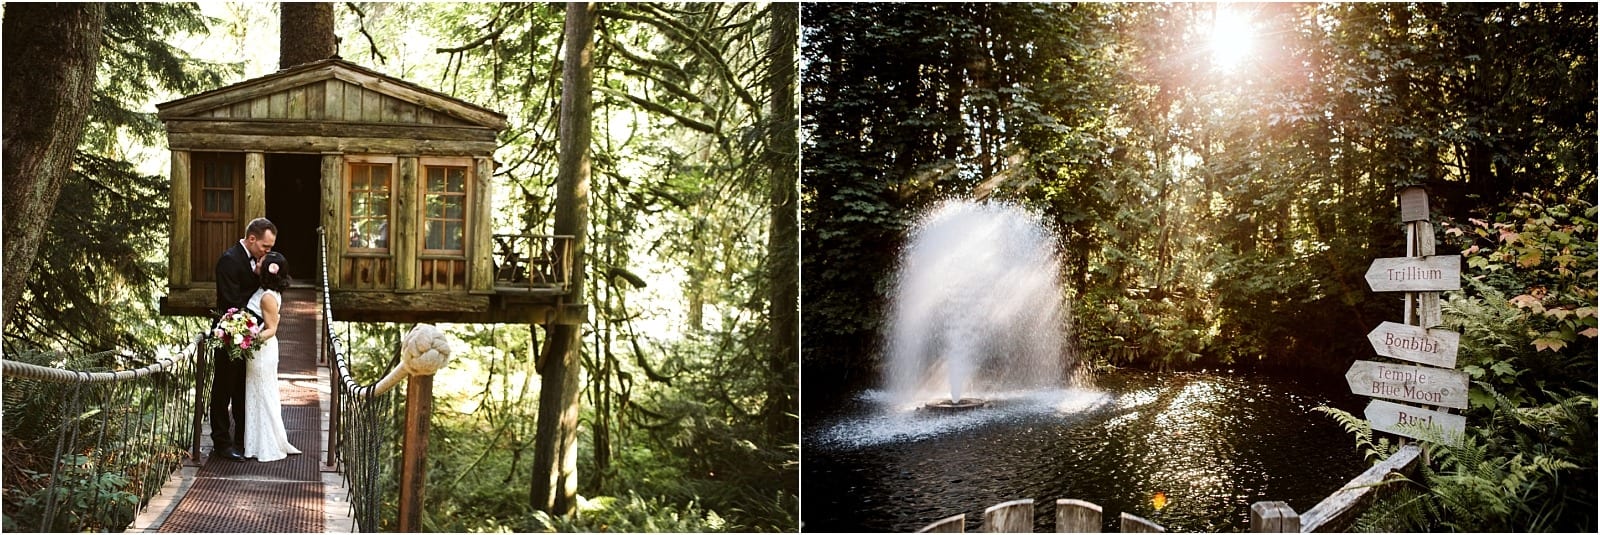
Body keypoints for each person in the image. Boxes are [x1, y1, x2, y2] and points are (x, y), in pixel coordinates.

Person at [212, 218, 276, 462]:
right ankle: (221, 443)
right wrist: (250, 323)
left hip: (250, 335)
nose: (268, 252)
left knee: (243, 387)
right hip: (229, 334)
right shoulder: (229, 260)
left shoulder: (261, 263)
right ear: (251, 239)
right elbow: (230, 301)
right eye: (265, 247)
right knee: (224, 389)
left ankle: (243, 438)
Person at [243, 251, 302, 462]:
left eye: (260, 261)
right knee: (259, 395)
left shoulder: (267, 296)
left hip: (262, 352)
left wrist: (246, 340)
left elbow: (271, 329)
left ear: (268, 270)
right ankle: (255, 443)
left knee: (263, 396)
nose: (257, 262)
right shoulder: (267, 291)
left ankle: (266, 446)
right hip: (261, 352)